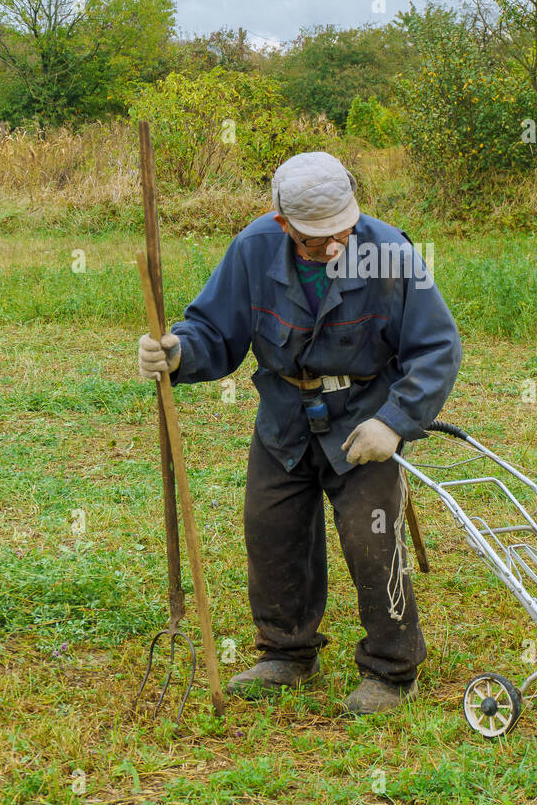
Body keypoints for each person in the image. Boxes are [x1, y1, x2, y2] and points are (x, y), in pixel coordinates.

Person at [138, 150, 462, 714]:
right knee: (272, 530)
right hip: (285, 416)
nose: (335, 247)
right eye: (318, 240)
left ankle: (392, 668)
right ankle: (287, 654)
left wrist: (394, 422)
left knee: (372, 535)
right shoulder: (252, 248)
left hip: (365, 415)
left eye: (344, 232)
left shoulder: (392, 252)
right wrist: (178, 351)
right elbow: (216, 331)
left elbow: (437, 348)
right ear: (284, 224)